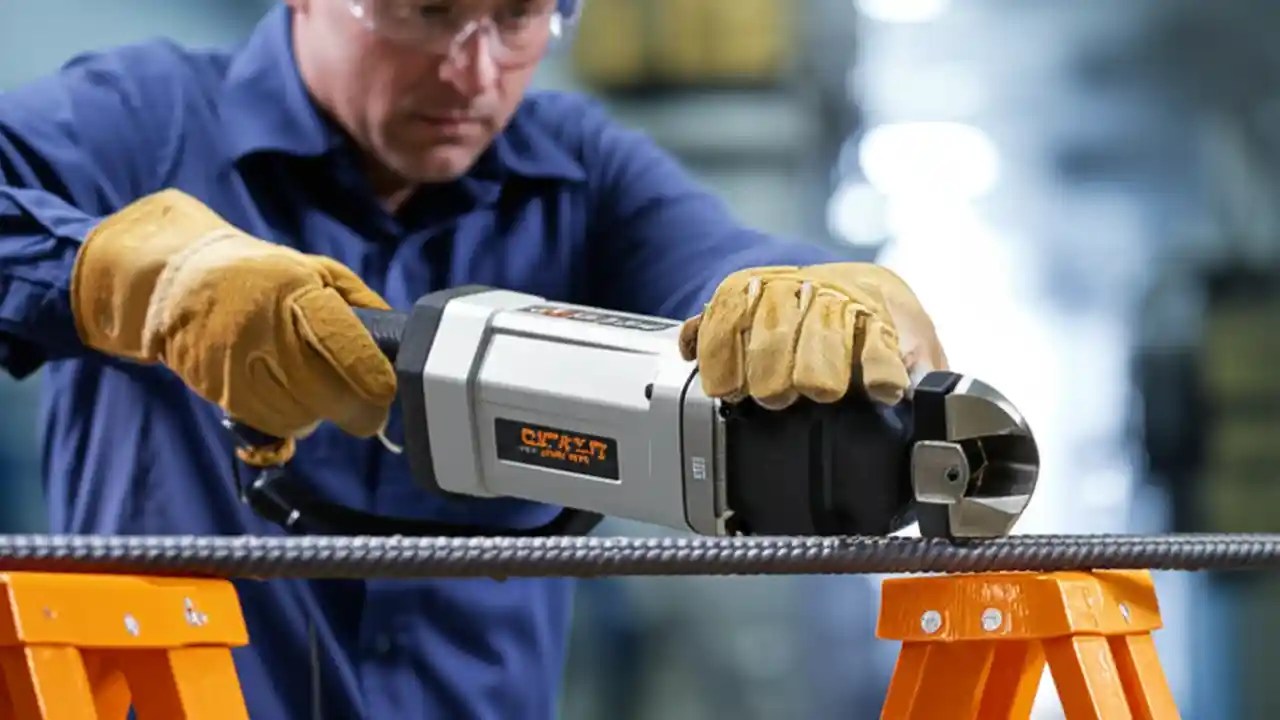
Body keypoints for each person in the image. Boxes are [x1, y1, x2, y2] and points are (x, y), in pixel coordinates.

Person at [0, 0, 949, 717]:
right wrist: (136, 279)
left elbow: (720, 267)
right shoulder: (141, 119)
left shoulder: (581, 171)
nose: (474, 69)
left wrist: (812, 295)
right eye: (428, 11)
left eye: (518, 15)